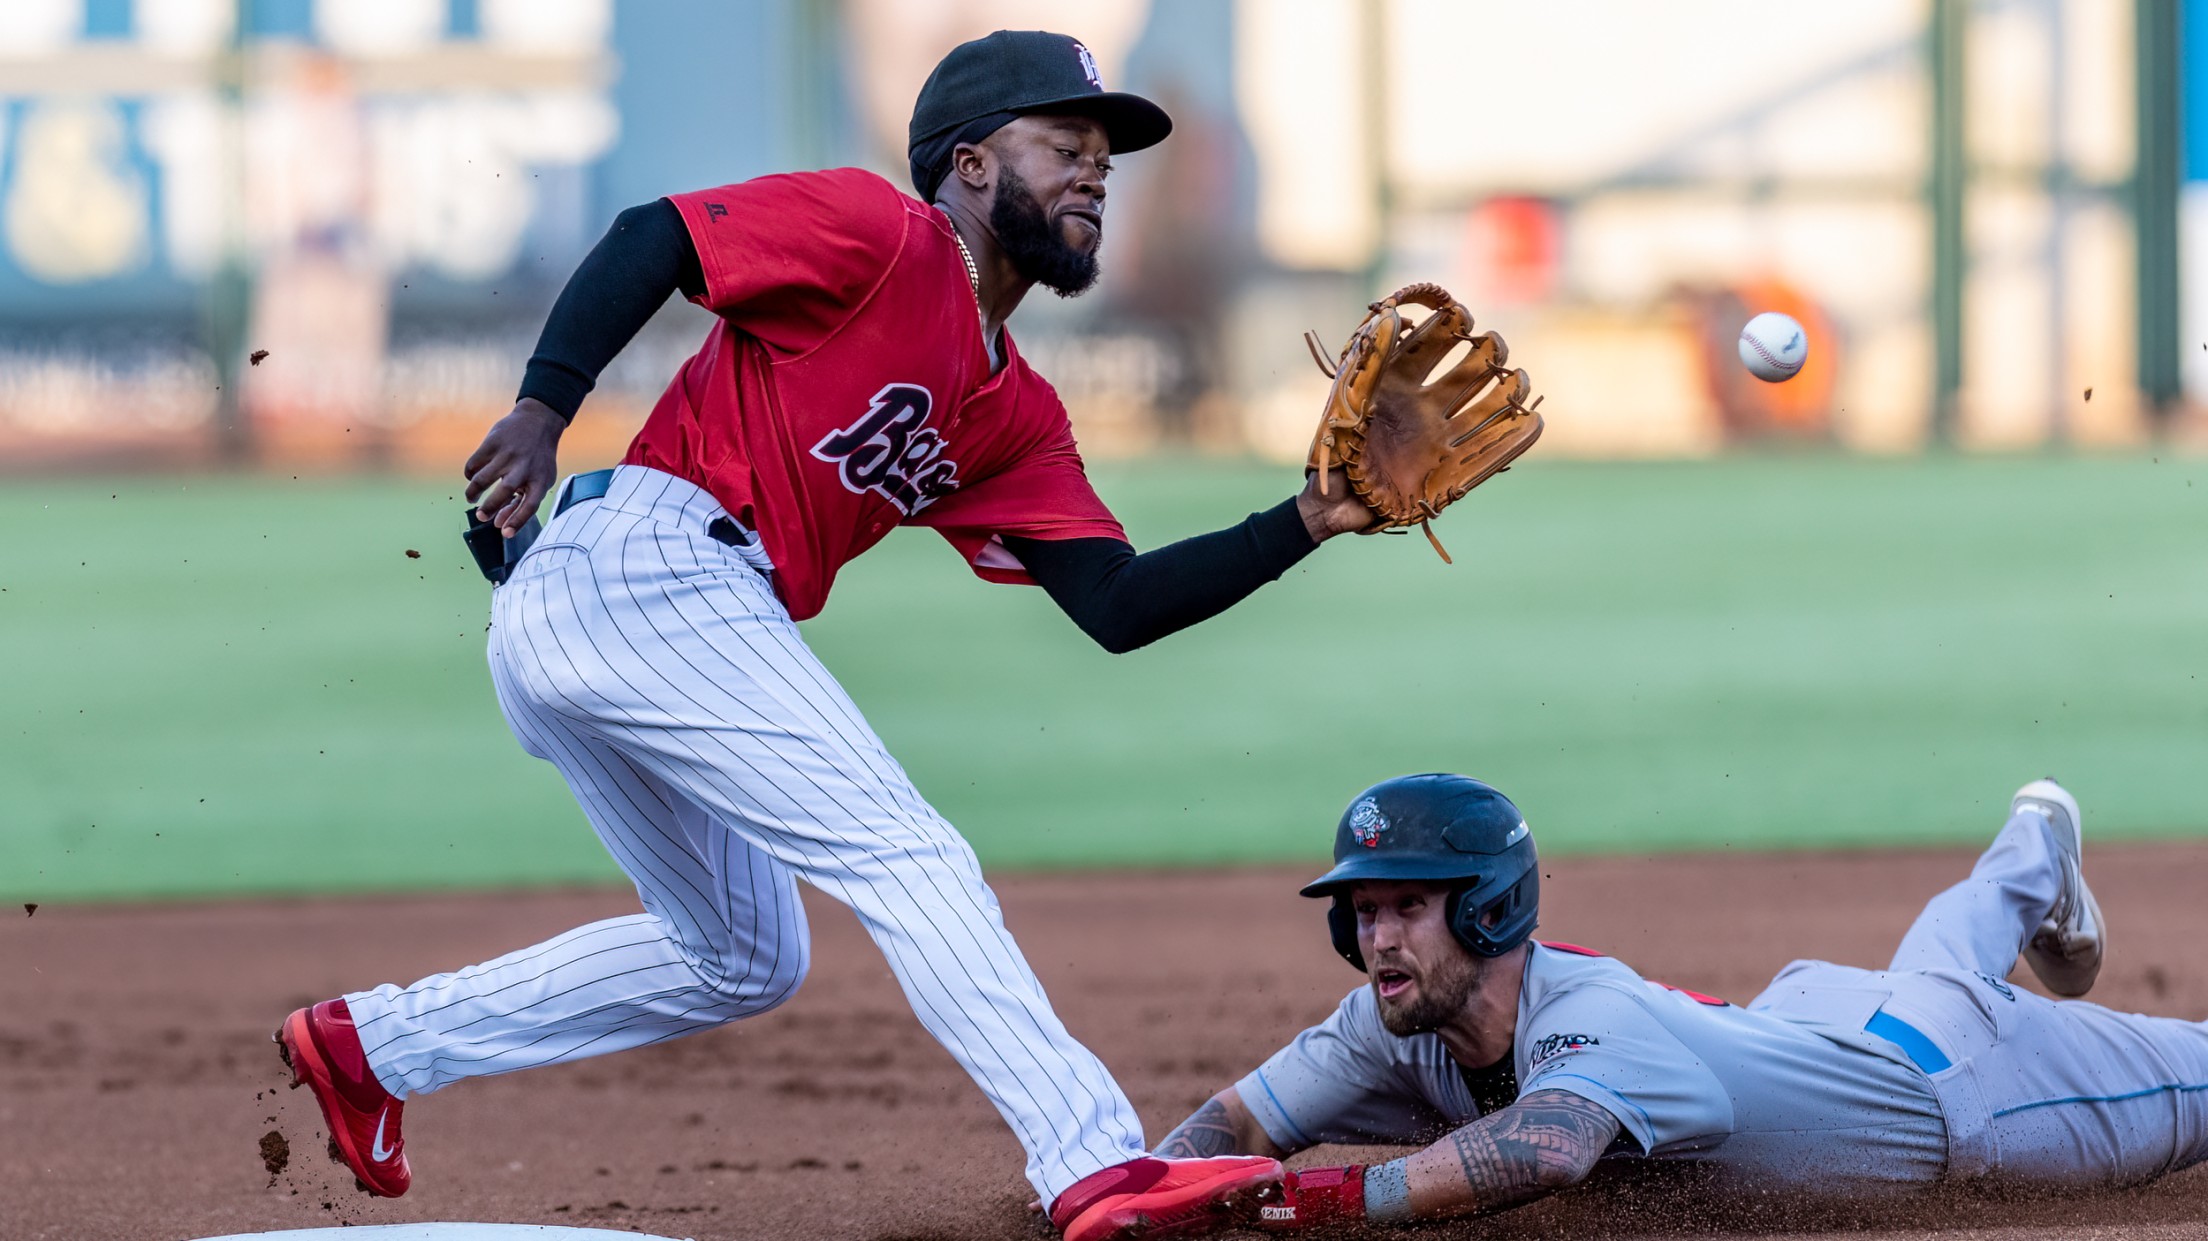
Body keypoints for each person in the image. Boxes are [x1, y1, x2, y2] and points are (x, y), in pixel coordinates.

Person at [275, 29, 1374, 1241]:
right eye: (1064, 146)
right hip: (648, 563)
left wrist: (1307, 520)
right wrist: (542, 410)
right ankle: (1097, 1161)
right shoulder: (884, 234)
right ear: (967, 165)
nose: (1093, 175)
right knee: (913, 856)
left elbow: (1116, 604)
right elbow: (658, 233)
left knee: (743, 953)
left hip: (626, 605)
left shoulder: (1015, 410)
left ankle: (374, 1043)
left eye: (1104, 160)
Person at [1153, 772, 2208, 1230]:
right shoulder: (1391, 1018)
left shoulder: (1593, 1012)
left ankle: (2034, 842)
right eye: (1365, 911)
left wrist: (1322, 1201)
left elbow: (1545, 1149)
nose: (1378, 935)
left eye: (1409, 906)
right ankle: (2035, 847)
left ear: (1487, 912)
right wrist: (1153, 1187)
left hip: (1966, 1085)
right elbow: (1238, 1121)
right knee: (1935, 972)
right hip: (1825, 1020)